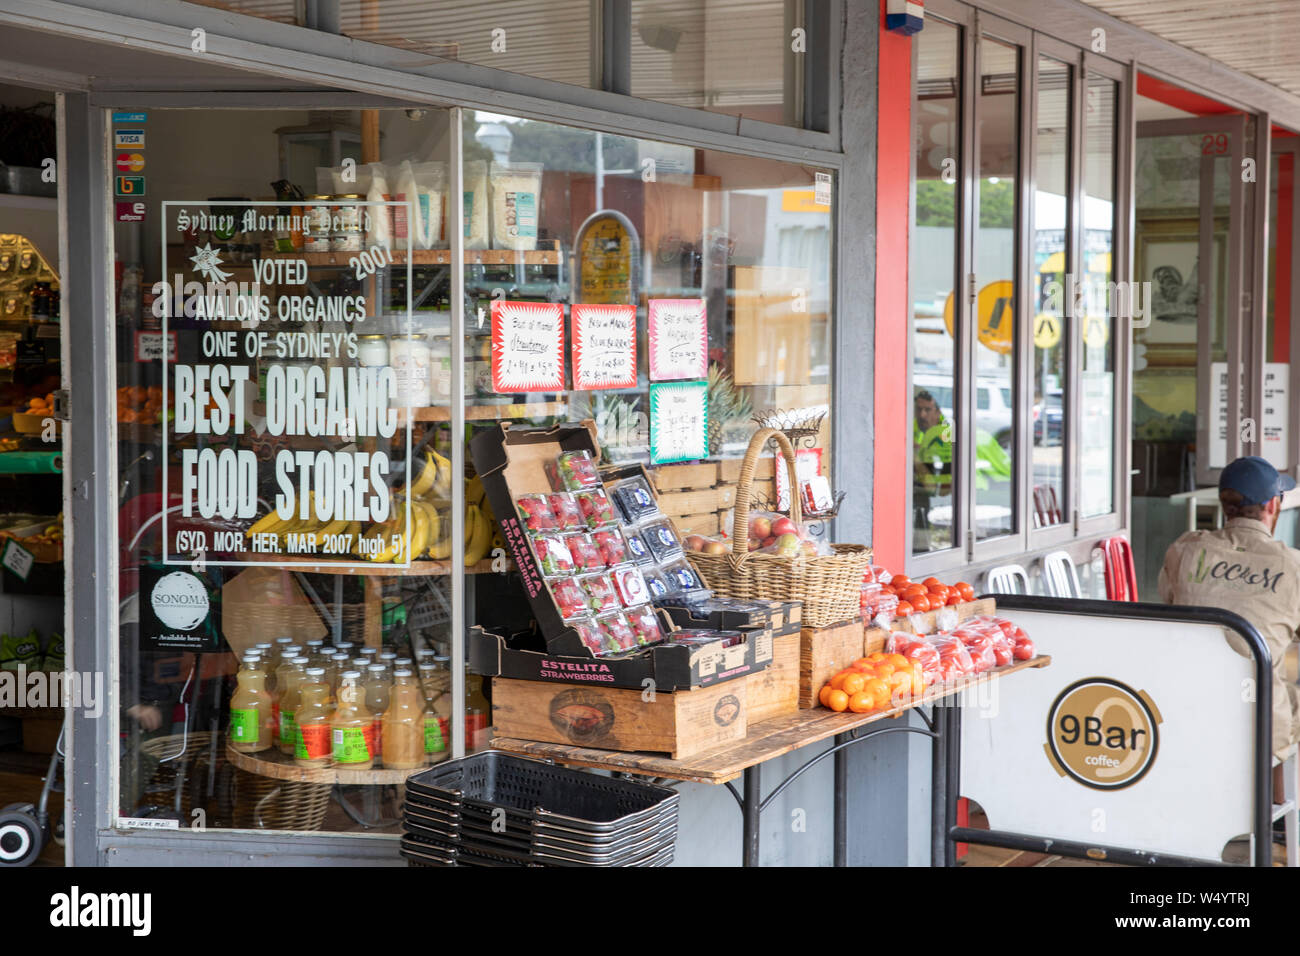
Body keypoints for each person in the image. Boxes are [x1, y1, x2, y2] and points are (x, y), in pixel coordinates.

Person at [1158, 455, 1300, 811]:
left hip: (1186, 712)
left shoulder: (1185, 549)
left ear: (1225, 505)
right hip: (1259, 727)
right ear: (1273, 505)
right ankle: (1275, 809)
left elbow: (1170, 601)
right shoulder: (1294, 565)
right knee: (1281, 694)